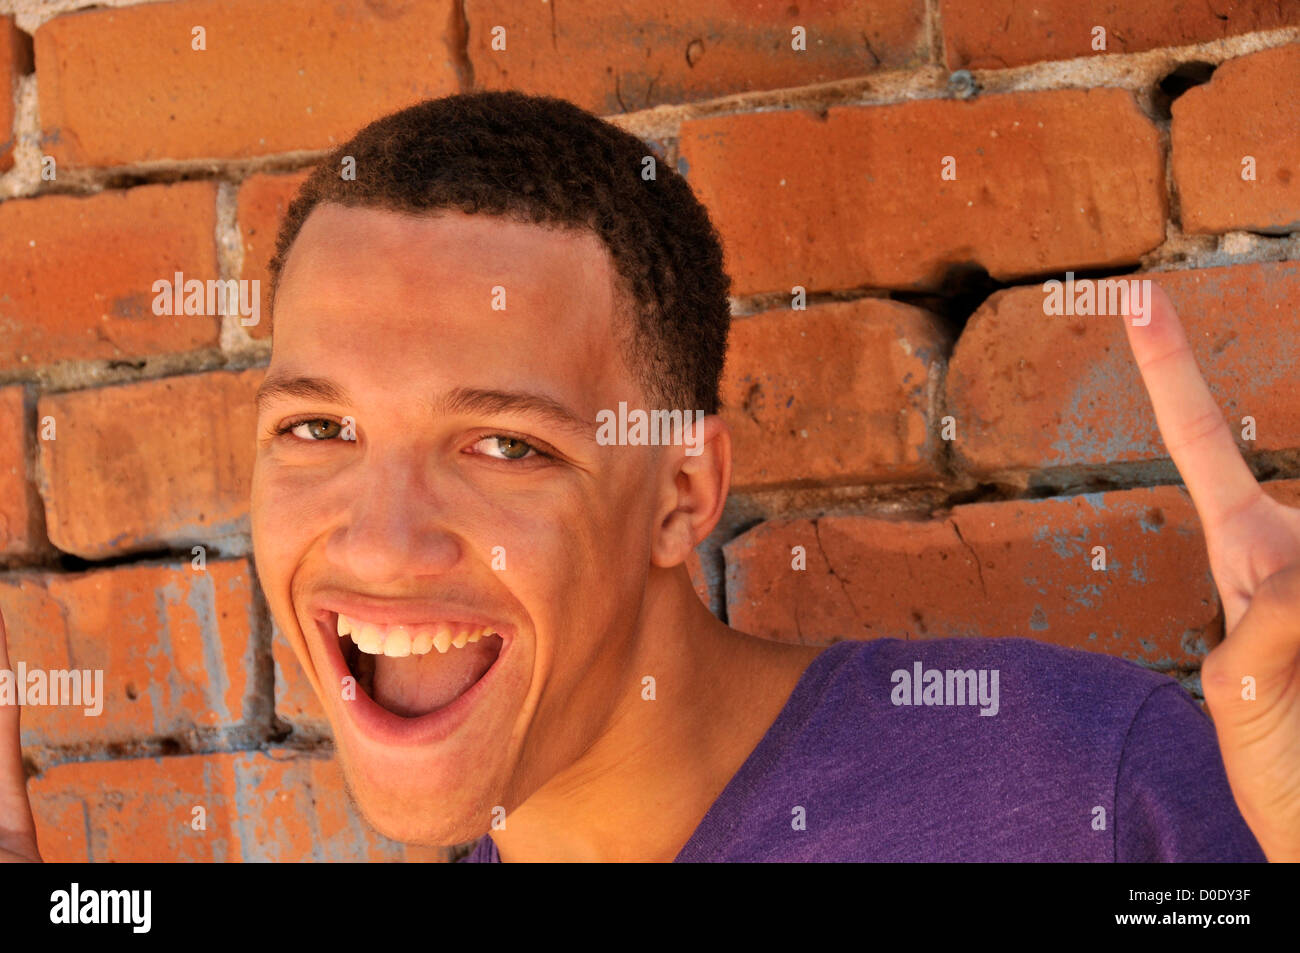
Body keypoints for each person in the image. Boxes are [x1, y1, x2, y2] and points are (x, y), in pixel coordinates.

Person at [2, 91, 1297, 863]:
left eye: (505, 444)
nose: (383, 543)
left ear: (682, 492)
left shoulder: (1074, 785)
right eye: (319, 430)